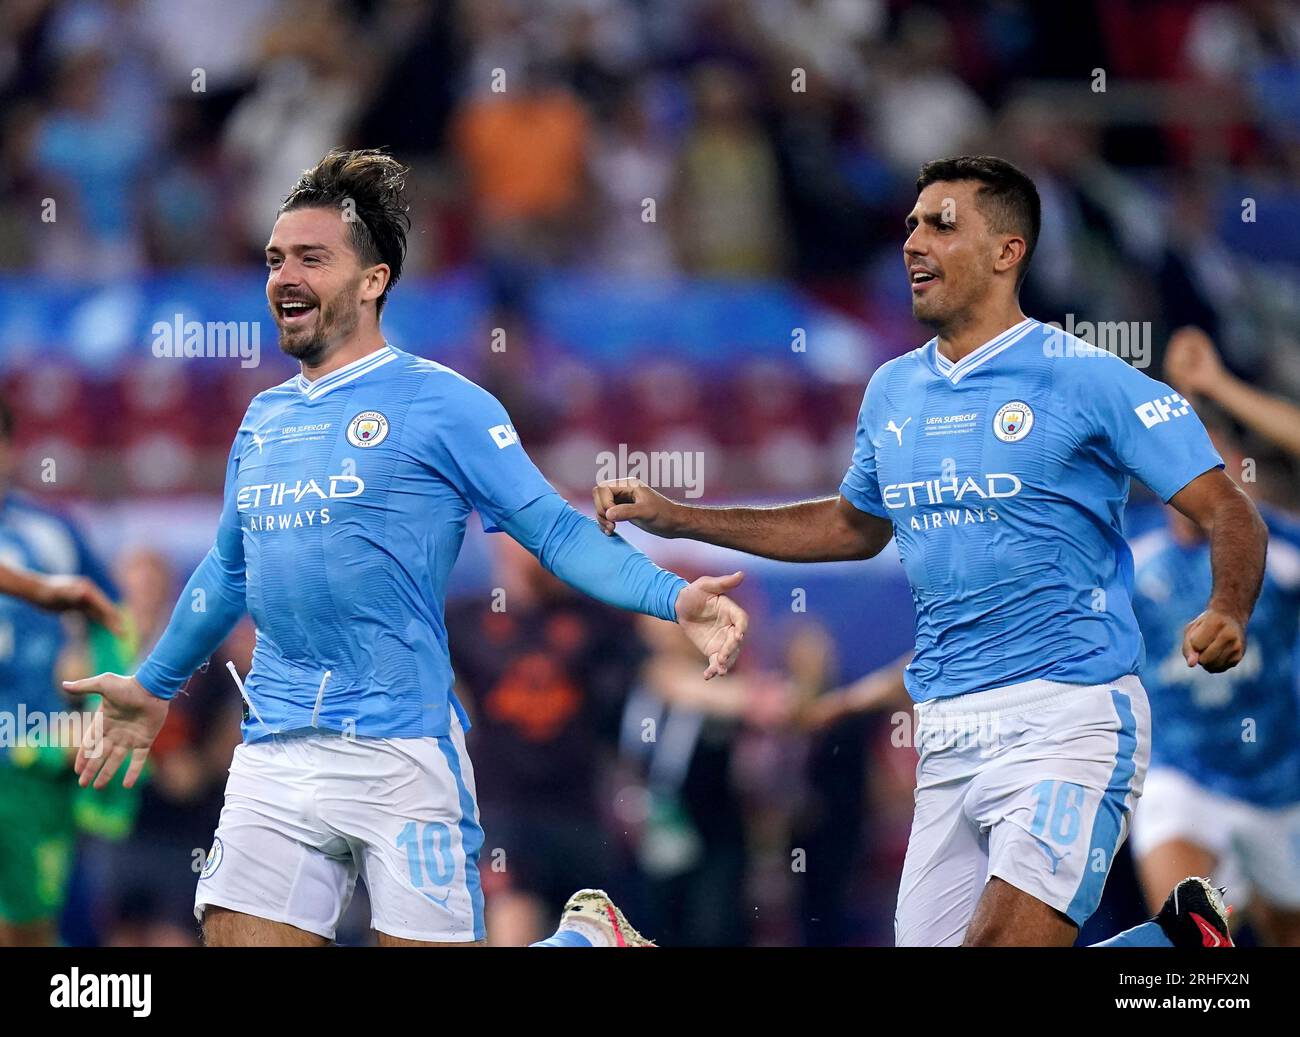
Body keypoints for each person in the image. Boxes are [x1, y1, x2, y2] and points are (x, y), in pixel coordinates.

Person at [65, 148, 746, 949]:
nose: (285, 276)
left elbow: (555, 531)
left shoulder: (445, 404)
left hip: (401, 748)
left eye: (312, 258)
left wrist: (676, 595)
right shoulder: (263, 422)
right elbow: (228, 571)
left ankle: (586, 941)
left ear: (373, 279)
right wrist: (154, 684)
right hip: (274, 748)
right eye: (276, 258)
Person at [594, 155, 1266, 948]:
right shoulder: (891, 391)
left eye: (942, 224)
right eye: (911, 223)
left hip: (1068, 715)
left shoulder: (1088, 379)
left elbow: (1228, 509)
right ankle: (1174, 947)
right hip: (947, 733)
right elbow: (851, 527)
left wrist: (1226, 605)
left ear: (1007, 251)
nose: (913, 240)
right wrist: (684, 519)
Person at [0, 396, 123, 946]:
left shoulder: (50, 532)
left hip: (34, 754)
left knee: (31, 923)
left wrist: (98, 713)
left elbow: (111, 623)